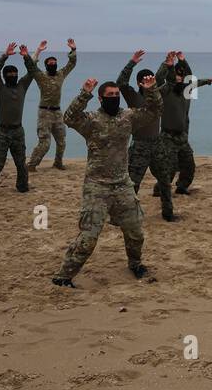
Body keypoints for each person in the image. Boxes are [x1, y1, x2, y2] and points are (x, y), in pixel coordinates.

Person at [52, 72, 162, 287]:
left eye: (117, 94)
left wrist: (151, 90)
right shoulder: (91, 120)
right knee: (88, 239)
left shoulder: (128, 117)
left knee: (136, 232)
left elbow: (155, 111)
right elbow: (69, 118)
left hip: (123, 184)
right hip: (97, 186)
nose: (115, 97)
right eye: (110, 94)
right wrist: (84, 93)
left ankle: (135, 264)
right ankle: (63, 277)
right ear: (101, 98)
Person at [116, 50, 176, 220]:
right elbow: (121, 83)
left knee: (165, 181)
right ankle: (126, 215)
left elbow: (171, 82)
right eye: (146, 80)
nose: (150, 82)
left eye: (152, 79)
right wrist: (132, 62)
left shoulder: (159, 94)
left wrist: (169, 66)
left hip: (157, 144)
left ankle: (168, 213)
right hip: (140, 145)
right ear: (139, 83)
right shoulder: (133, 96)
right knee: (133, 184)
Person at [155, 51, 212, 196]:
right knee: (168, 167)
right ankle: (159, 189)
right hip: (167, 136)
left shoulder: (186, 91)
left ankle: (182, 187)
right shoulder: (165, 91)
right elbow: (158, 78)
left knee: (188, 165)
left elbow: (193, 80)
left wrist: (183, 61)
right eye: (176, 76)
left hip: (182, 136)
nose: (179, 79)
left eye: (180, 77)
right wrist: (166, 64)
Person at [0, 43, 34, 195]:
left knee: (21, 164)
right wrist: (5, 56)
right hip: (2, 131)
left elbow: (32, 71)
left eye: (15, 74)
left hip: (18, 131)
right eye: (9, 75)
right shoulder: (0, 87)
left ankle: (22, 187)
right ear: (4, 77)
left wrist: (26, 57)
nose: (13, 76)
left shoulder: (22, 85)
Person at [27, 38, 77, 170]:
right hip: (44, 112)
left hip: (57, 112)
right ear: (46, 65)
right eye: (50, 63)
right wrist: (38, 50)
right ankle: (31, 165)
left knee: (61, 141)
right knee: (45, 143)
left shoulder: (60, 74)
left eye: (55, 62)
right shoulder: (41, 76)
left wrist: (73, 50)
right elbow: (31, 65)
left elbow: (71, 64)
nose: (53, 64)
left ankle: (58, 162)